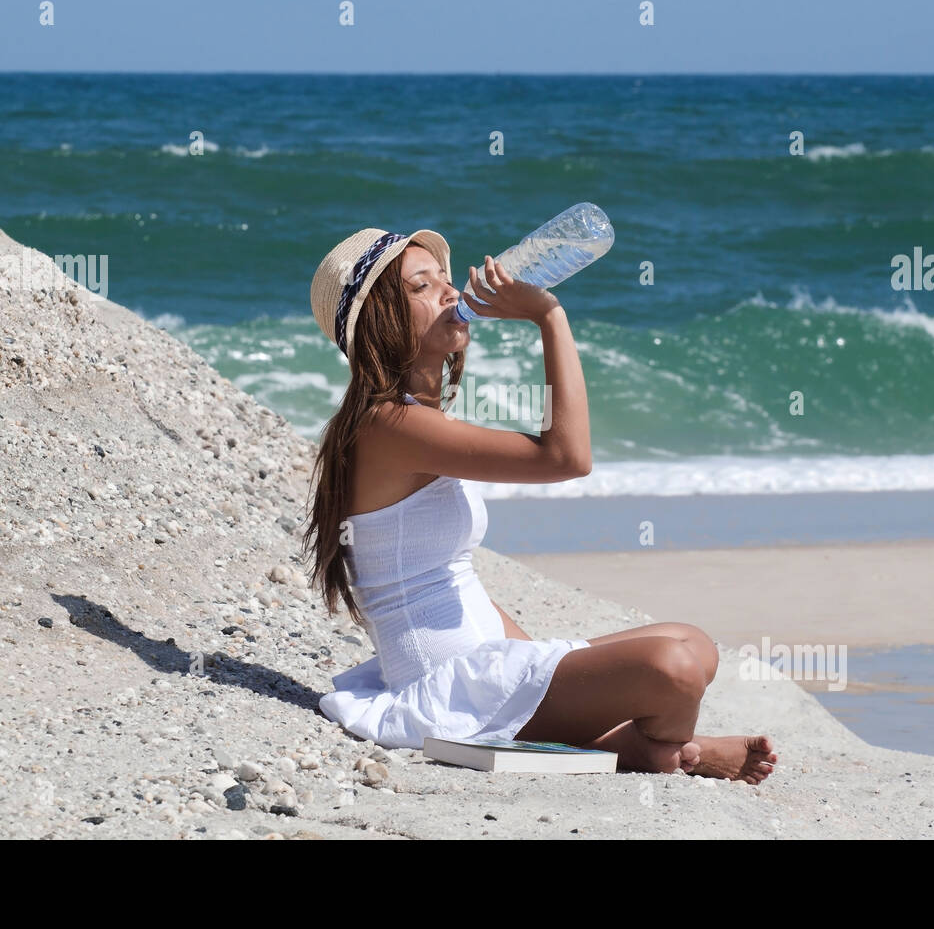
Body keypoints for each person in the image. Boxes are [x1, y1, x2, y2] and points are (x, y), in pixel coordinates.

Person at [302, 227, 777, 782]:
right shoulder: (389, 425)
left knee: (692, 643)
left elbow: (454, 579)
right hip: (447, 690)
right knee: (674, 669)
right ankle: (662, 752)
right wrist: (549, 316)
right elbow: (566, 458)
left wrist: (538, 665)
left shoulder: (410, 418)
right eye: (422, 287)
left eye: (448, 281)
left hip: (487, 669)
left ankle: (642, 748)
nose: (451, 294)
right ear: (379, 320)